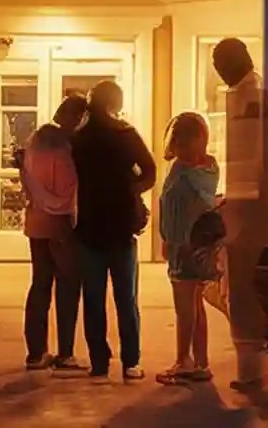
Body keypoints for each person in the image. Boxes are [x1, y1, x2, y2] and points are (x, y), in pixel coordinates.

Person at [211, 38, 268, 392]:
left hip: (252, 210)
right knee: (234, 288)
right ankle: (254, 364)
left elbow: (261, 160)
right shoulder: (248, 95)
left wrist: (242, 204)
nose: (217, 69)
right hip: (245, 207)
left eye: (220, 61)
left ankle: (256, 367)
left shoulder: (253, 98)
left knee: (240, 289)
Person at [71, 80, 157, 382]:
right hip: (120, 226)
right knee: (126, 298)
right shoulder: (126, 135)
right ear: (115, 103)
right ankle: (131, 361)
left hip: (87, 228)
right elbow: (150, 171)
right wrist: (131, 190)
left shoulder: (78, 139)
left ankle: (99, 362)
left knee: (93, 297)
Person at [155, 112, 223, 385]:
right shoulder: (209, 169)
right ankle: (201, 362)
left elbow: (174, 210)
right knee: (196, 305)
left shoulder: (183, 173)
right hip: (200, 245)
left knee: (185, 308)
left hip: (183, 246)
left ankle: (183, 360)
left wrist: (168, 240)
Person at [20, 95, 87, 374]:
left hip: (36, 223)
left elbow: (27, 182)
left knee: (40, 285)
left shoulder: (35, 143)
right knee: (68, 287)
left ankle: (36, 353)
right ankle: (66, 353)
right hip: (61, 225)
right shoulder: (66, 148)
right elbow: (70, 191)